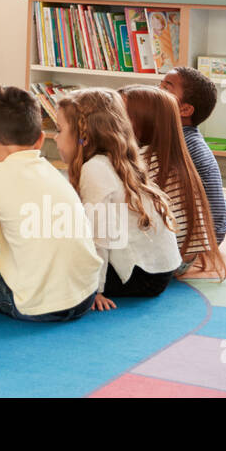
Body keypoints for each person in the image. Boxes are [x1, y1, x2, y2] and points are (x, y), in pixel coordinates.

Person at [0, 87, 99, 322]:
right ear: (40, 139)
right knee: (9, 238)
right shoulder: (52, 171)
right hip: (85, 296)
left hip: (34, 305)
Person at [55, 88, 181, 310]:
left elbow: (99, 237)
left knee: (51, 267)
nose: (55, 137)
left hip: (140, 275)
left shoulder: (95, 169)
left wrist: (95, 289)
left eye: (59, 130)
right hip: (158, 268)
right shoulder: (114, 160)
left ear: (83, 136)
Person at [119, 85, 226, 279]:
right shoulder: (171, 153)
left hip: (161, 262)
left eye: (118, 115)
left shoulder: (141, 162)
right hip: (183, 257)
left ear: (144, 122)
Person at [159, 66, 226, 244]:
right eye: (158, 85)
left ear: (184, 110)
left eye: (165, 89)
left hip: (198, 242)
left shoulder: (182, 144)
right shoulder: (176, 137)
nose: (155, 92)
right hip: (205, 237)